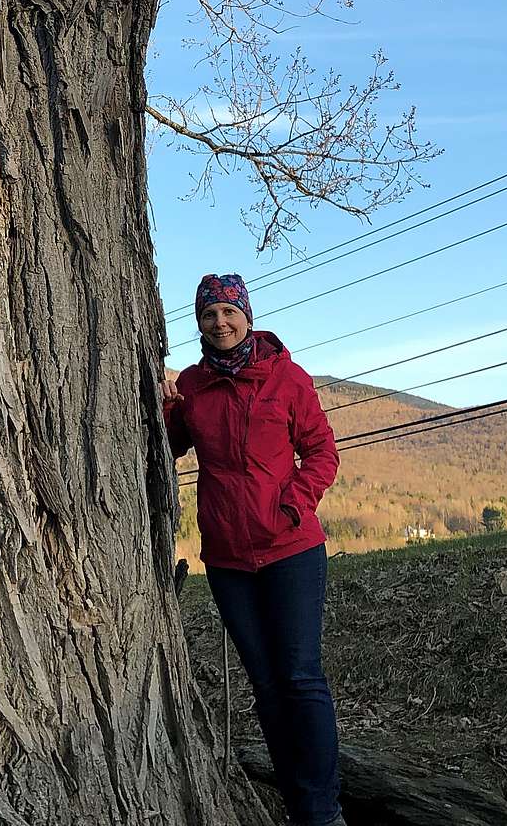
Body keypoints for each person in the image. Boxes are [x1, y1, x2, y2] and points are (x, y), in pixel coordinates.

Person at [162, 273, 345, 826]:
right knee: (265, 684)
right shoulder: (193, 386)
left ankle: (323, 811)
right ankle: (296, 804)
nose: (220, 323)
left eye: (227, 312)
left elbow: (322, 453)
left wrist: (291, 507)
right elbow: (166, 451)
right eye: (208, 315)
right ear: (199, 324)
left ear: (246, 315)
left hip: (290, 550)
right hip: (228, 561)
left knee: (300, 677)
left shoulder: (286, 379)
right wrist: (168, 409)